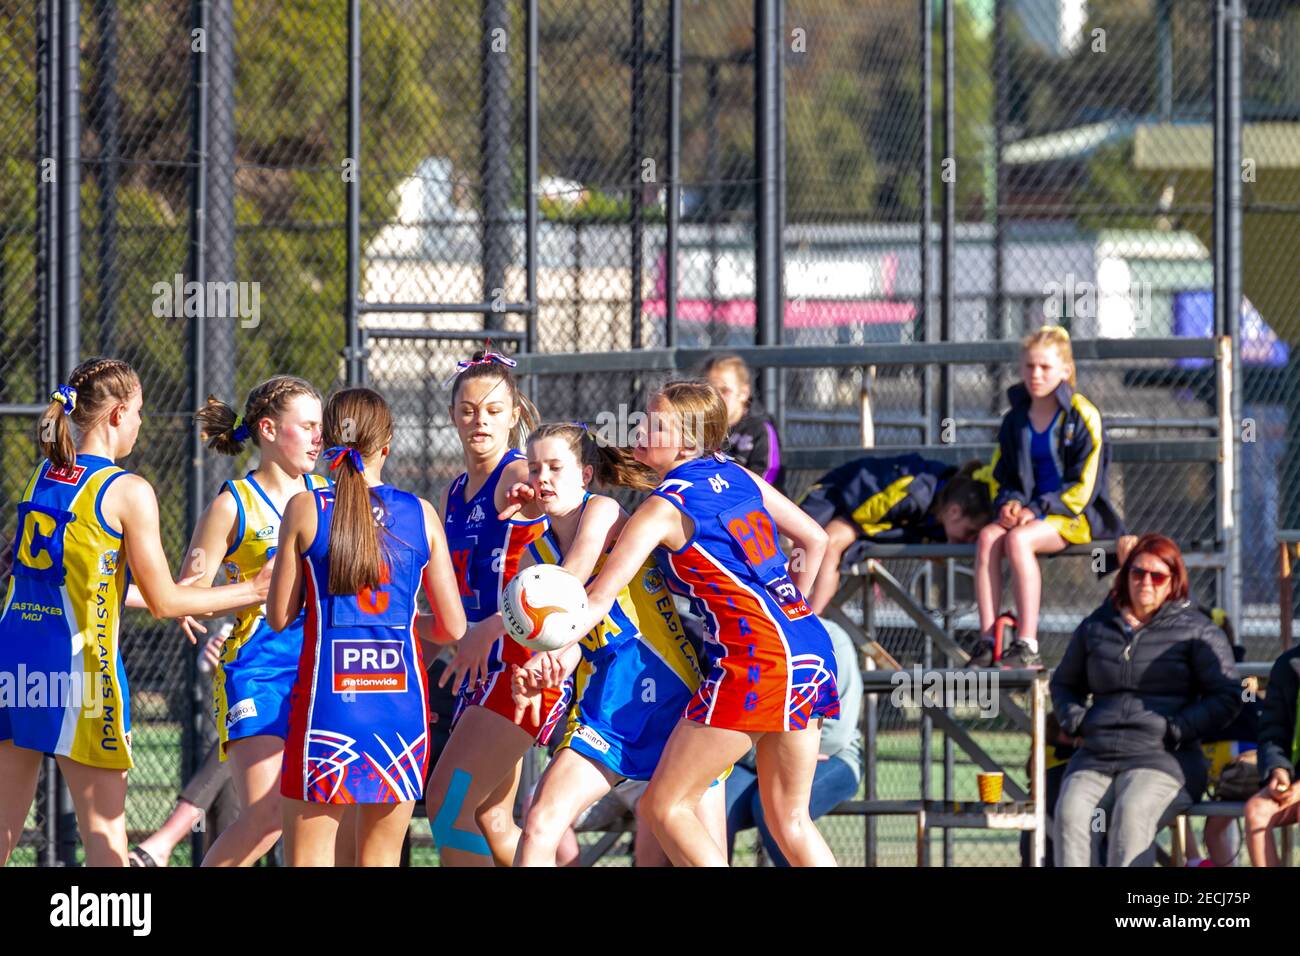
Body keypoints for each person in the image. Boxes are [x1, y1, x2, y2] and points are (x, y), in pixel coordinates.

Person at [0, 358, 275, 867]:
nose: (143, 423)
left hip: (14, 661)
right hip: (80, 671)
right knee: (108, 845)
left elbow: (78, 579)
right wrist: (253, 591)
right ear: (118, 414)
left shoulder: (43, 474)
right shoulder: (127, 490)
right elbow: (168, 597)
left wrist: (174, 600)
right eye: (141, 413)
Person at [564, 380, 841, 867]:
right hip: (809, 645)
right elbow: (815, 540)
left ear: (688, 441)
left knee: (664, 805)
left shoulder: (664, 507)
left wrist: (538, 631)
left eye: (657, 424)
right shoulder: (735, 475)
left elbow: (599, 599)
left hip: (758, 660)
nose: (642, 428)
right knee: (791, 821)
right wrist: (785, 612)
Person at [504, 422, 728, 866]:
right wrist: (542, 670)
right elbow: (573, 641)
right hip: (603, 703)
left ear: (585, 475)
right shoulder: (535, 556)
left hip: (667, 689)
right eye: (534, 469)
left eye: (554, 467)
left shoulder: (602, 512)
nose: (542, 478)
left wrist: (540, 640)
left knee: (693, 858)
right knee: (540, 823)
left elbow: (578, 582)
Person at [271, 387, 466, 866]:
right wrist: (398, 626)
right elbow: (452, 626)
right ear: (387, 445)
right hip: (399, 710)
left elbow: (279, 616)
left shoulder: (305, 507)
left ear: (330, 443)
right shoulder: (421, 513)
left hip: (329, 708)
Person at [186, 376, 333, 867]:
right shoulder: (234, 505)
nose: (319, 437)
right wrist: (244, 593)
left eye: (322, 426)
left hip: (324, 671)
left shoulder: (330, 495)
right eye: (308, 426)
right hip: (258, 671)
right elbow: (190, 595)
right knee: (270, 814)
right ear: (268, 429)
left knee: (321, 813)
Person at [424, 350, 560, 867]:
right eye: (468, 409)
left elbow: (553, 519)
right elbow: (451, 599)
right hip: (482, 666)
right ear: (454, 415)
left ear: (515, 415)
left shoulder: (517, 474)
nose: (480, 420)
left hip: (525, 664)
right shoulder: (454, 491)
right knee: (491, 819)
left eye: (494, 410)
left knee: (448, 803)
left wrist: (535, 501)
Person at [1050, 534, 1240, 867]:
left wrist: (1177, 728)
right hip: (1096, 756)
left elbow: (1227, 696)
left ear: (1173, 582)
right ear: (1126, 575)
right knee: (1071, 814)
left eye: (1157, 576)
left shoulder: (1197, 630)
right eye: (1138, 573)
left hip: (1163, 759)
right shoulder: (1096, 626)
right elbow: (1064, 684)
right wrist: (1078, 722)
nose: (1146, 582)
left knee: (1131, 814)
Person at [972, 325, 1125, 668]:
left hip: (1073, 517)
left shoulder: (1083, 414)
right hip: (1029, 514)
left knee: (1019, 541)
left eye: (1045, 367)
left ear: (1066, 371)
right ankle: (988, 640)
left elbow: (1084, 487)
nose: (1035, 374)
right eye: (1029, 366)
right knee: (987, 538)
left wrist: (1038, 508)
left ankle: (1026, 643)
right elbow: (1003, 474)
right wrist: (1008, 504)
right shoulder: (1014, 420)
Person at [723, 617, 862, 865]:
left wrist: (783, 754)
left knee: (774, 808)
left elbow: (837, 733)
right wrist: (766, 755)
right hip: (751, 759)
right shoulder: (741, 633)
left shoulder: (831, 634)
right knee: (712, 802)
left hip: (833, 757)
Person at [800, 453, 995, 614]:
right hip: (838, 499)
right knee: (811, 543)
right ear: (954, 512)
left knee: (830, 543)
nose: (970, 540)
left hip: (863, 523)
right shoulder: (915, 494)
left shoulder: (941, 517)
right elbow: (862, 514)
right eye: (970, 532)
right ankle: (804, 622)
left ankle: (811, 623)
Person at [1244, 641, 1300, 867]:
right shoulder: (1289, 665)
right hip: (1294, 781)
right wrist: (1278, 770)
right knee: (1256, 810)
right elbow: (1272, 731)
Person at [702, 354, 784, 491]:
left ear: (744, 393)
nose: (717, 397)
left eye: (724, 390)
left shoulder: (760, 428)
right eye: (710, 391)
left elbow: (767, 477)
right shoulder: (701, 426)